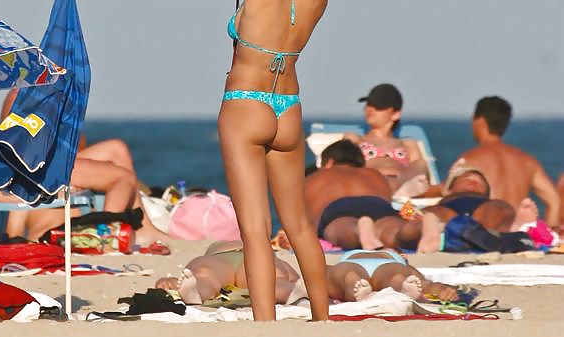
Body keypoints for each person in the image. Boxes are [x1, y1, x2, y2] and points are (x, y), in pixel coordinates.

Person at [215, 0, 329, 321]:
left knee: (255, 230)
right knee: (299, 226)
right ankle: (322, 318)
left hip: (247, 103)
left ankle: (266, 325)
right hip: (289, 109)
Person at [0, 90, 169, 246]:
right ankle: (106, 237)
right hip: (37, 167)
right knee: (124, 178)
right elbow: (12, 142)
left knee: (117, 149)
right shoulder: (21, 95)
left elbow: (74, 141)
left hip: (52, 161)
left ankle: (144, 226)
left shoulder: (48, 90)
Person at [156, 242, 458, 305]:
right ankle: (295, 295)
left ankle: (199, 290)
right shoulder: (395, 257)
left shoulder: (215, 250)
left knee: (207, 273)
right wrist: (431, 285)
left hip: (218, 259)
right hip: (265, 260)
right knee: (275, 283)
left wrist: (168, 283)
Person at [301, 139, 442, 252]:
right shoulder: (374, 175)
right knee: (393, 231)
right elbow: (394, 193)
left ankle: (359, 230)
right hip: (376, 204)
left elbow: (303, 220)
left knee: (341, 229)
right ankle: (421, 227)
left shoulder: (315, 177)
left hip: (337, 208)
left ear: (329, 162)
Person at [449, 97, 560, 227]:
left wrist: (425, 189)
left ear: (480, 121)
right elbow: (554, 201)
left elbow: (447, 192)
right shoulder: (528, 161)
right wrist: (548, 236)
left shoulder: (471, 159)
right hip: (519, 237)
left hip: (487, 238)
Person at [346, 83, 429, 184]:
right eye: (369, 104)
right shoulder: (355, 139)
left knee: (420, 164)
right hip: (369, 183)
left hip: (402, 184)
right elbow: (346, 169)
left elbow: (422, 176)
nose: (371, 109)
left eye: (379, 105)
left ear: (396, 114)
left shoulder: (408, 144)